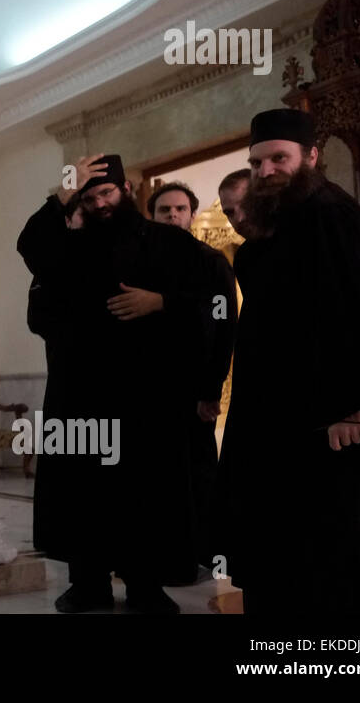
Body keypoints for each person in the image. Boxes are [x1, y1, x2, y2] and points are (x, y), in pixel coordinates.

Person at [217, 108, 360, 613]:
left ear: (311, 156)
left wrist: (349, 405)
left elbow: (358, 310)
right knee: (286, 550)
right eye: (258, 162)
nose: (267, 171)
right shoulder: (274, 222)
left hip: (332, 418)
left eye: (278, 159)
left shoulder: (329, 211)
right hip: (278, 418)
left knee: (341, 554)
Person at [18, 154, 221, 613]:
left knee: (146, 494)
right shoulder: (67, 247)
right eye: (89, 198)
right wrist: (63, 192)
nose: (99, 204)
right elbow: (31, 248)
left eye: (106, 193)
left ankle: (147, 586)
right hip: (80, 395)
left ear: (127, 189)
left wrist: (161, 301)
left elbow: (212, 303)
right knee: (83, 497)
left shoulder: (168, 243)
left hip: (148, 396)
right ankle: (87, 584)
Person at [146, 181, 238, 578]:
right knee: (154, 479)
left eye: (179, 209)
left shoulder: (211, 261)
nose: (172, 215)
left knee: (198, 474)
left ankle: (201, 555)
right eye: (164, 209)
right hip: (147, 390)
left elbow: (223, 326)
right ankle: (159, 557)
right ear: (151, 215)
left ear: (191, 213)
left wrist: (210, 389)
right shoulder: (139, 260)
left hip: (192, 387)